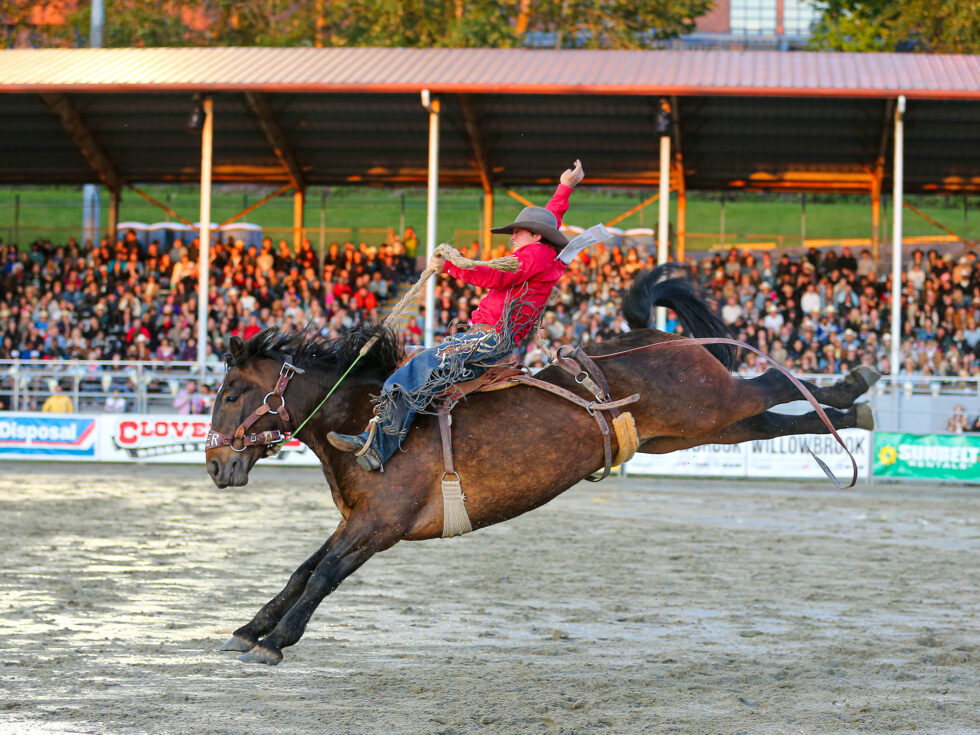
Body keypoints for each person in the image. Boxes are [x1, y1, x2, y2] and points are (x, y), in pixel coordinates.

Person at [328, 159, 592, 471]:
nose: (512, 238)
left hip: (488, 336)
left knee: (418, 368)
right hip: (497, 339)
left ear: (535, 236)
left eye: (518, 232)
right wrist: (564, 188)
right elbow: (550, 220)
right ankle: (388, 445)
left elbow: (496, 277)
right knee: (429, 376)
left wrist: (450, 267)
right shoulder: (544, 254)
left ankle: (376, 444)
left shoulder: (532, 255)